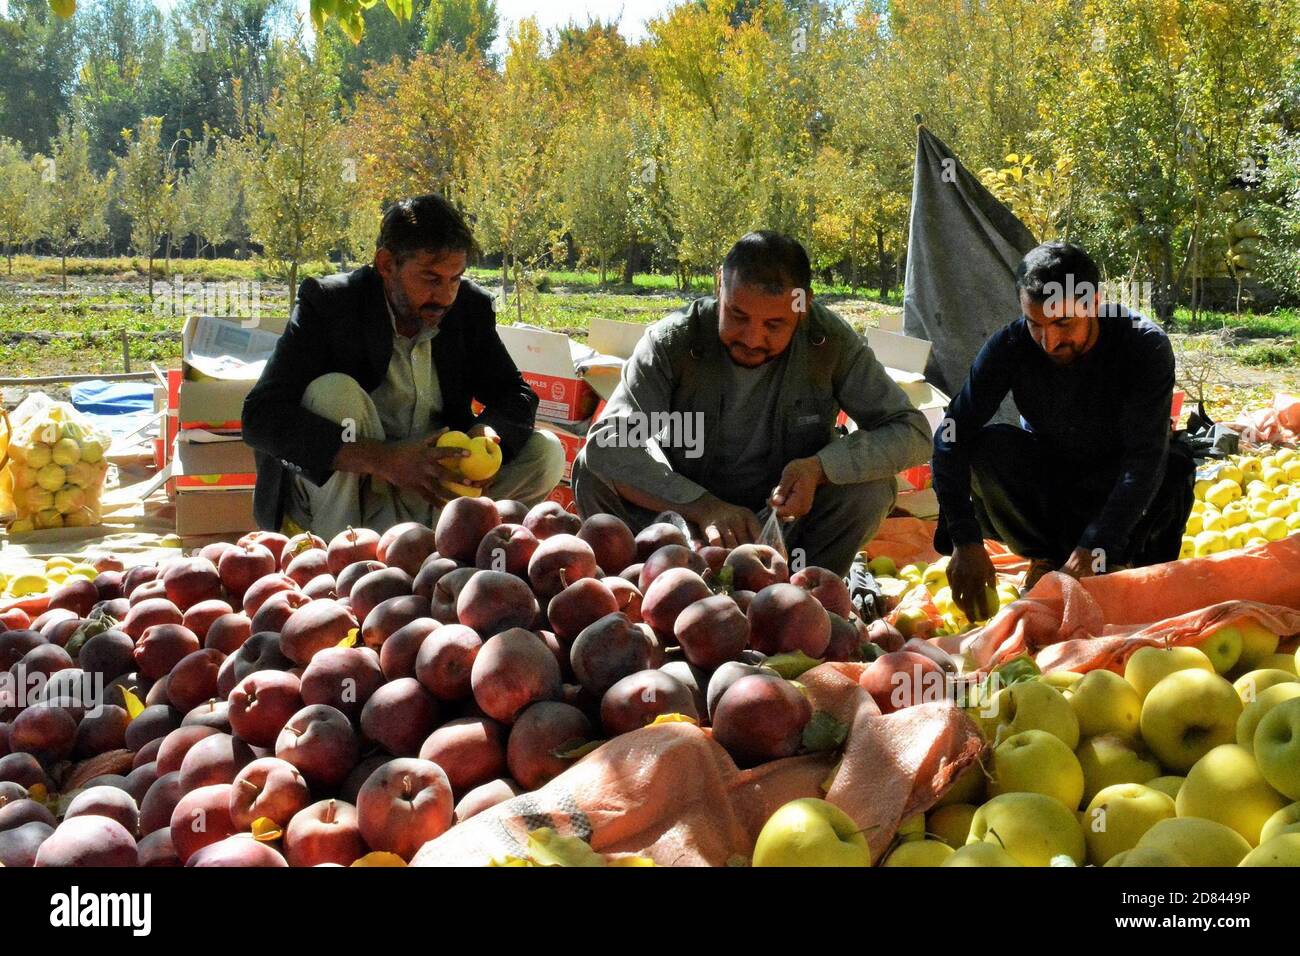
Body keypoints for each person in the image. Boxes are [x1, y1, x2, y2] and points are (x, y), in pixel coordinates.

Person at [572, 231, 932, 577]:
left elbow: (912, 432)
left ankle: (805, 599)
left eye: (775, 325)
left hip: (785, 524)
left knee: (872, 488)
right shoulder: (673, 340)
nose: (752, 338)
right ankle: (639, 588)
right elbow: (609, 445)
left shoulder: (830, 343)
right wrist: (704, 507)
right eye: (738, 316)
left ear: (803, 305)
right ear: (719, 287)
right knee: (591, 468)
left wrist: (819, 468)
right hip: (680, 521)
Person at [243, 194, 566, 540]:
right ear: (386, 264)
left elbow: (515, 394)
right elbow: (261, 417)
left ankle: (450, 542)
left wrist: (487, 435)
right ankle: (342, 554)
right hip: (352, 487)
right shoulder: (330, 305)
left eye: (454, 279)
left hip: (431, 486)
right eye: (430, 279)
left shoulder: (468, 310)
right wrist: (383, 459)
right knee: (334, 393)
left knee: (545, 452)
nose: (445, 296)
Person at [932, 241, 1196, 620]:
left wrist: (1098, 545)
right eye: (1035, 324)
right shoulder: (1010, 345)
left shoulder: (1143, 346)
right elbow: (950, 435)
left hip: (1120, 489)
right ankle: (1049, 557)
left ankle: (1119, 563)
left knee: (1173, 465)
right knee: (987, 449)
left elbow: (1143, 460)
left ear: (1094, 304)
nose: (1049, 342)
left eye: (1063, 323)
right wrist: (965, 539)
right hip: (1054, 486)